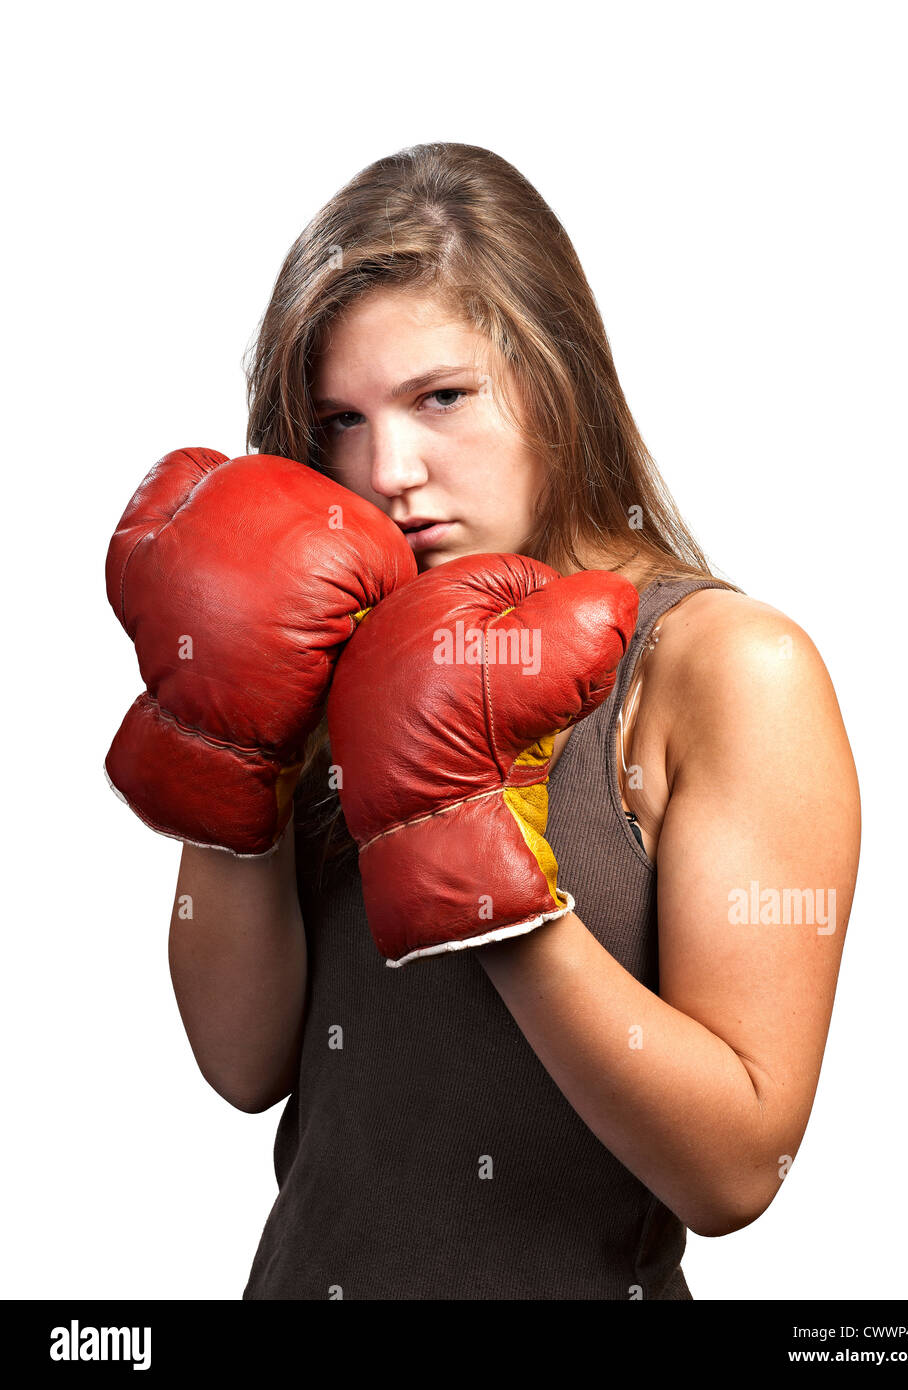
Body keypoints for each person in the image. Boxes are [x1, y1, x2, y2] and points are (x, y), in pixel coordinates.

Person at [118, 143, 861, 1300]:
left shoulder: (723, 669)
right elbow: (239, 1063)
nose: (389, 471)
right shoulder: (324, 642)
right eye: (339, 422)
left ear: (556, 378)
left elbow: (733, 1170)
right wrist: (227, 747)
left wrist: (472, 864)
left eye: (440, 398)